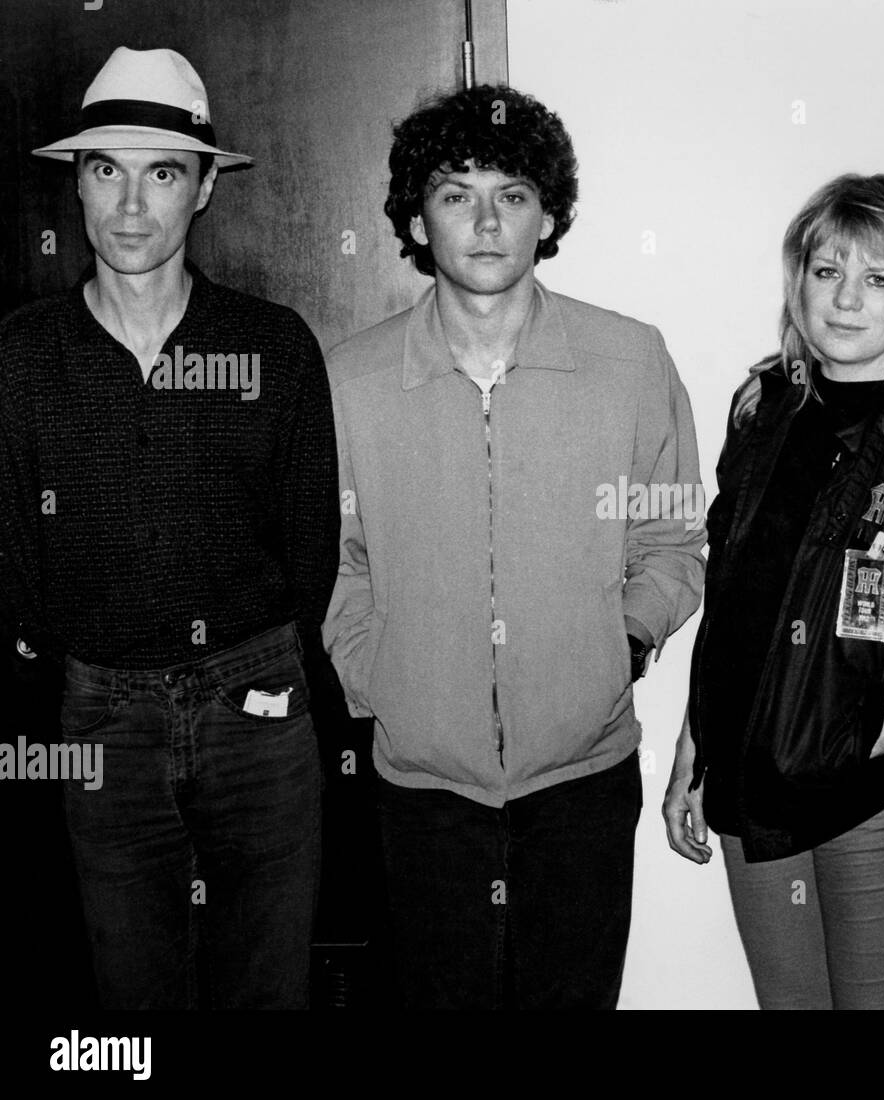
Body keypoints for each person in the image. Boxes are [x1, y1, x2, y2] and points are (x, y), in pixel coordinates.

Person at [324, 84, 705, 1009]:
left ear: (550, 212)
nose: (487, 221)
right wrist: (383, 682)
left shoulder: (629, 360)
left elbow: (675, 537)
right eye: (457, 193)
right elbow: (329, 560)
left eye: (514, 193)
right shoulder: (350, 379)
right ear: (417, 216)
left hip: (584, 780)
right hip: (420, 791)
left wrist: (617, 648)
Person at [0, 47, 339, 1009]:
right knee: (131, 1004)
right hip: (100, 720)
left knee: (268, 990)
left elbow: (310, 550)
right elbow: (12, 561)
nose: (133, 204)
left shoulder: (274, 346)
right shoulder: (23, 357)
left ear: (201, 192)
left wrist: (261, 674)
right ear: (77, 188)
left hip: (259, 714)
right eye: (107, 171)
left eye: (162, 172)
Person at [664, 174, 884, 1010]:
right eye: (828, 273)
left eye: (877, 278)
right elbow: (738, 598)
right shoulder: (763, 409)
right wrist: (694, 745)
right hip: (755, 786)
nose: (847, 300)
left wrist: (862, 737)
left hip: (879, 796)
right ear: (799, 284)